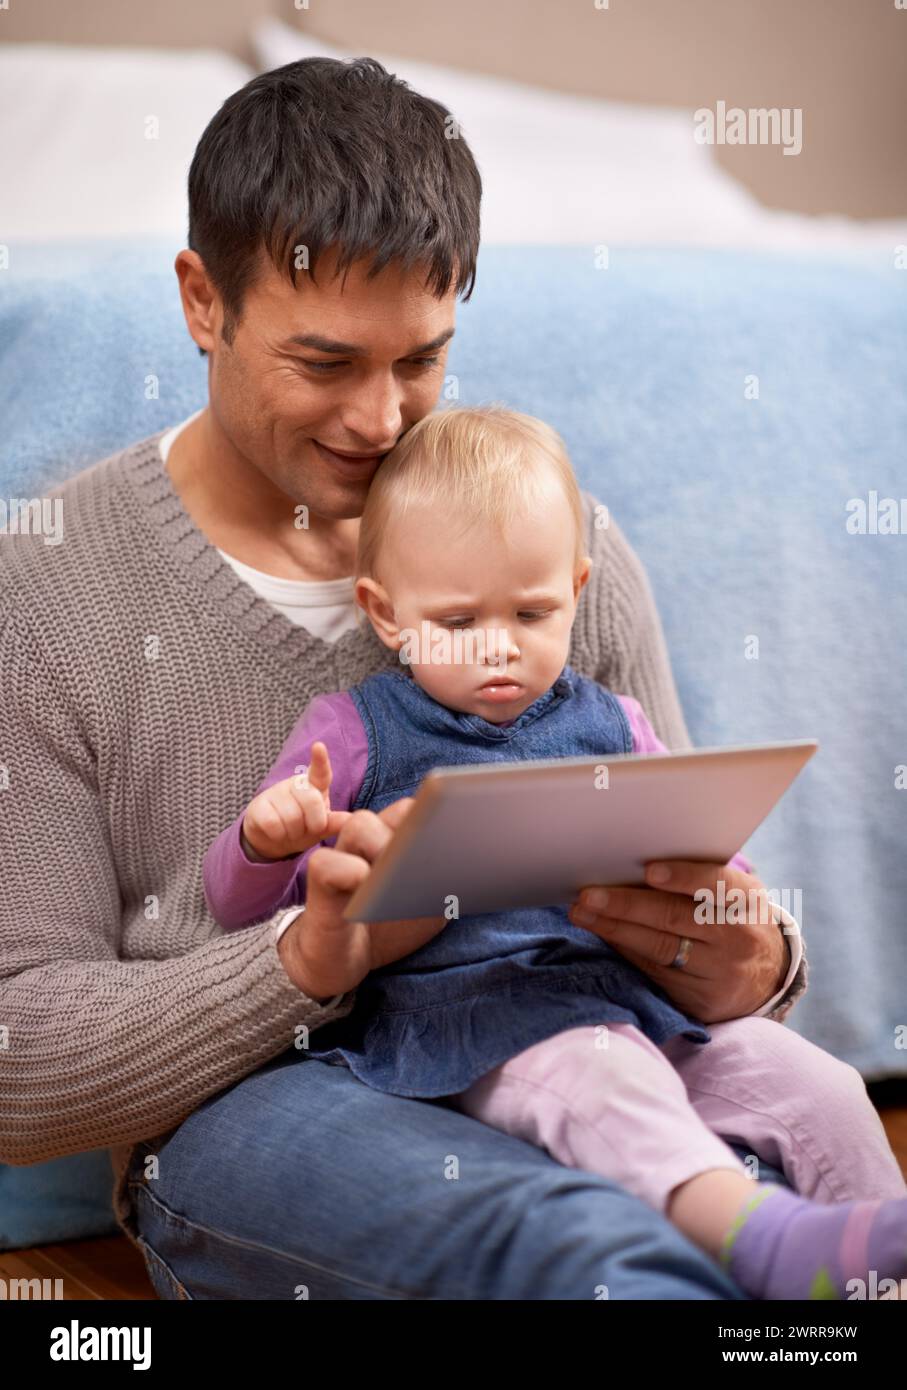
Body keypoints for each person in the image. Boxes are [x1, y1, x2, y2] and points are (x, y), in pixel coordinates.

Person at [0, 57, 812, 1301]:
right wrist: (300, 964)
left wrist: (749, 962)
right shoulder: (51, 589)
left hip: (591, 1045)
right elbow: (17, 1055)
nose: (382, 422)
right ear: (202, 303)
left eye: (421, 361)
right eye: (325, 364)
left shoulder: (554, 549)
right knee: (574, 1251)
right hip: (263, 1113)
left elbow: (698, 882)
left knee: (808, 1174)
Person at [203, 404, 907, 1301]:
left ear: (576, 590)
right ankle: (758, 1241)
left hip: (636, 1006)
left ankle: (873, 1279)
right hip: (466, 1028)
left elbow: (693, 853)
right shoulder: (356, 732)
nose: (499, 648)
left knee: (812, 1082)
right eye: (456, 622)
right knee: (603, 1078)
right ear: (385, 614)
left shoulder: (615, 721)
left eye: (531, 613)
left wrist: (727, 894)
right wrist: (268, 840)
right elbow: (233, 908)